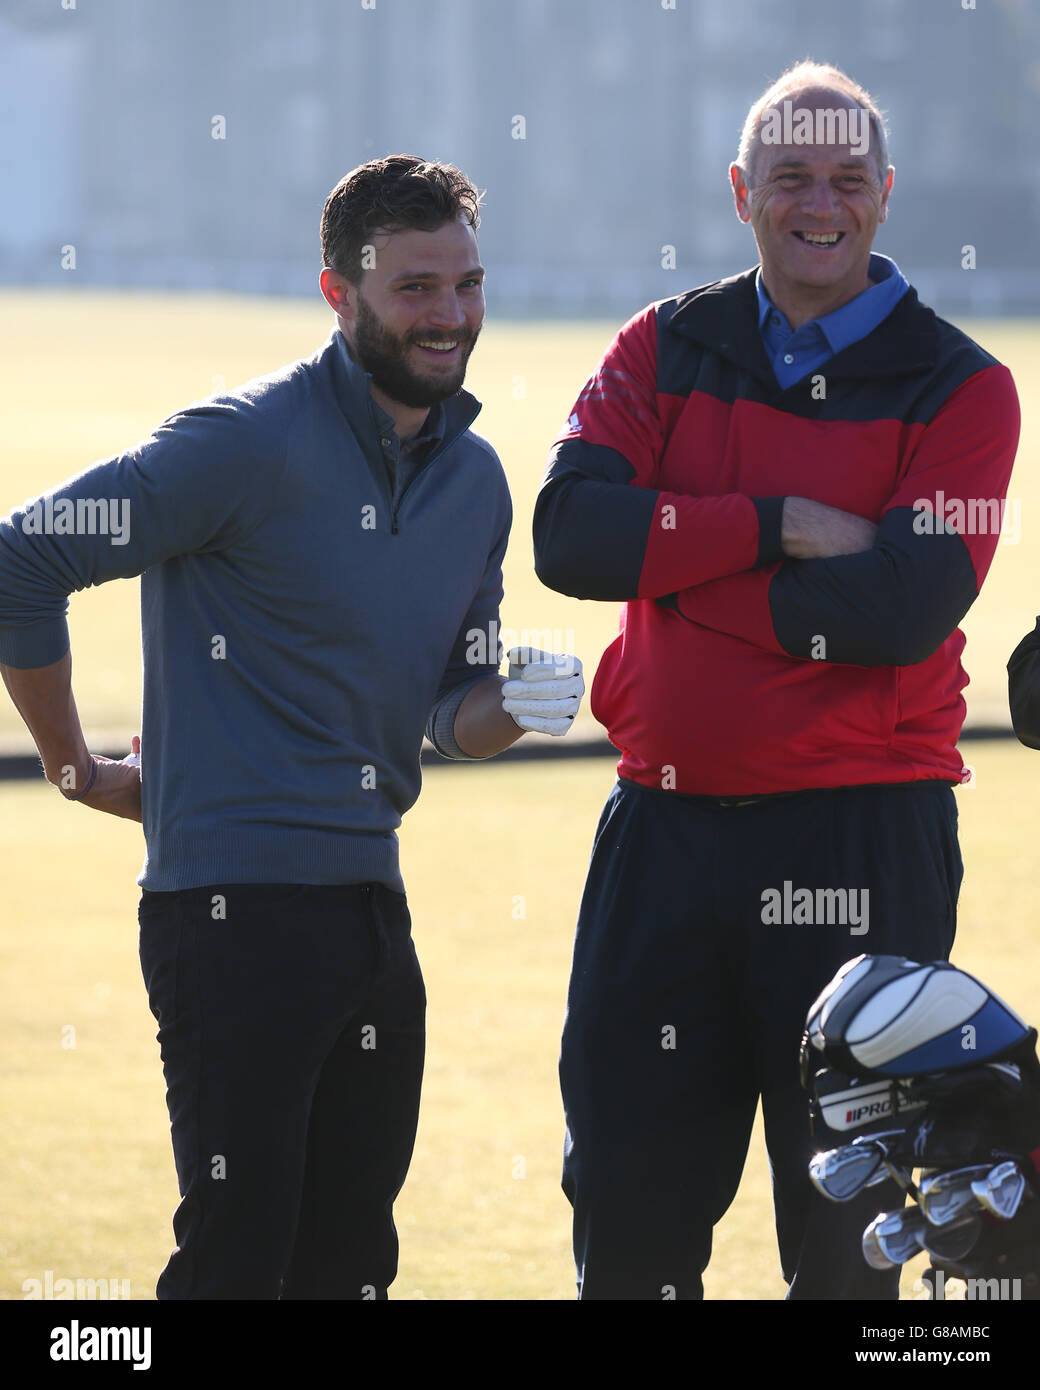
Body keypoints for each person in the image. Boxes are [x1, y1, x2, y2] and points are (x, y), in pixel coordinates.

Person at [0, 154, 583, 1300]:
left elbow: (441, 718)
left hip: (372, 914)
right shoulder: (241, 440)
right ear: (339, 292)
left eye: (466, 283)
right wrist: (75, 767)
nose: (450, 313)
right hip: (229, 920)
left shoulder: (474, 480)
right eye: (415, 287)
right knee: (238, 1259)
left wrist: (510, 706)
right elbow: (23, 558)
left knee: (352, 1261)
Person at [533, 62, 1020, 1300]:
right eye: (789, 178)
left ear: (885, 194)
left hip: (859, 836)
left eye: (845, 180)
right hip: (661, 835)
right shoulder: (662, 341)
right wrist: (777, 521)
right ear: (741, 190)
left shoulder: (962, 384)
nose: (819, 204)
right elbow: (567, 536)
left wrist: (678, 561)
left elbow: (900, 611)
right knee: (627, 1208)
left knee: (850, 1237)